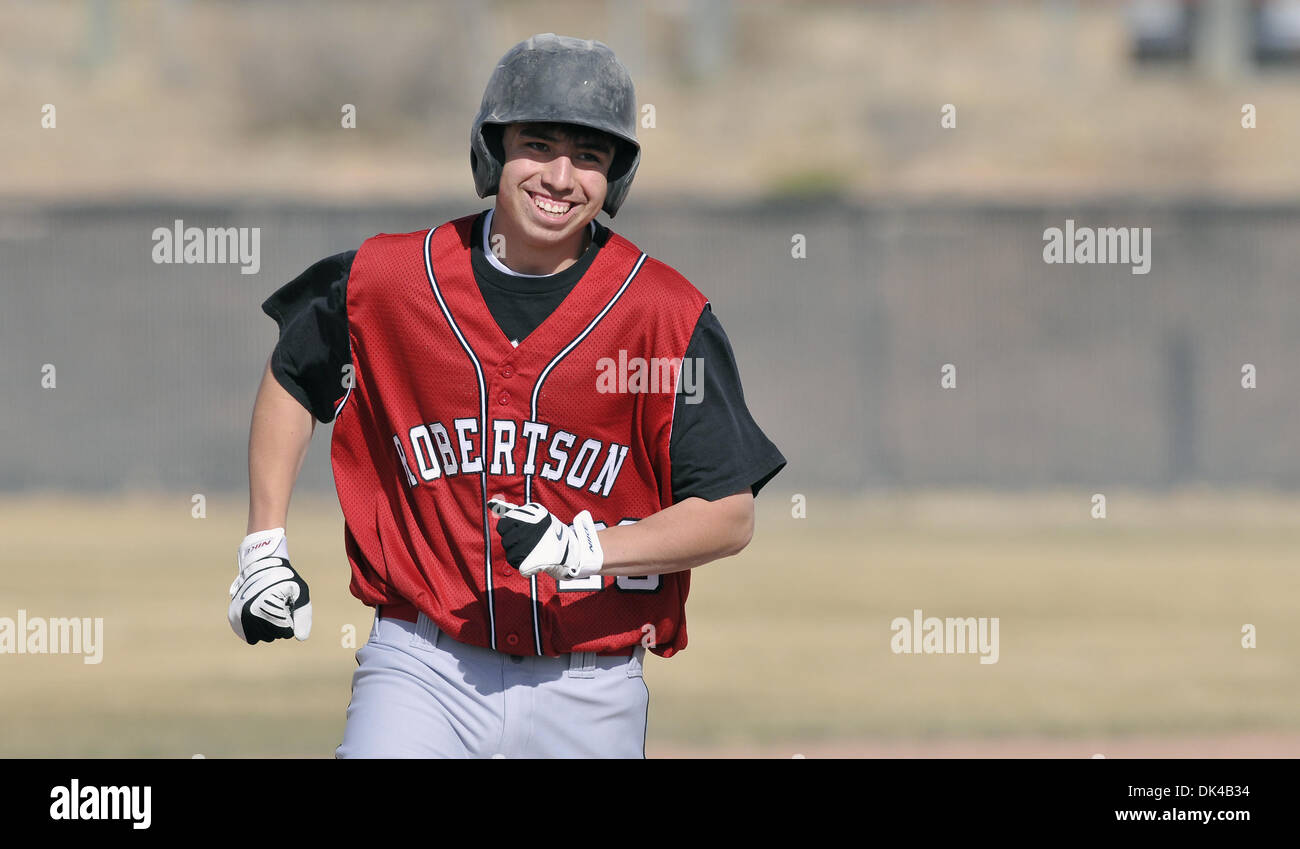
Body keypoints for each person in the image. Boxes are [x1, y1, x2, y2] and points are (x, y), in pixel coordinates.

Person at [228, 33, 785, 758]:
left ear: (614, 177)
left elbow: (729, 513)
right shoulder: (391, 281)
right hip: (424, 664)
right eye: (539, 144)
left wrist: (588, 548)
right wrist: (263, 543)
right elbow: (293, 373)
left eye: (589, 156)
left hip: (590, 678)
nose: (561, 175)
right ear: (492, 151)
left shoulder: (662, 316)